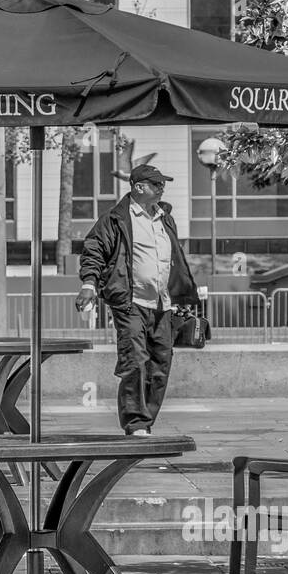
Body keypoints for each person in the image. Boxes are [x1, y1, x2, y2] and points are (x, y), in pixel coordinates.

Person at [75, 163, 199, 436]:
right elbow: (94, 251)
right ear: (138, 187)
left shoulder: (165, 217)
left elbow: (172, 260)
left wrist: (182, 293)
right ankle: (136, 423)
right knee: (135, 361)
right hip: (130, 302)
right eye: (156, 184)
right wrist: (88, 285)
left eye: (162, 184)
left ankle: (146, 420)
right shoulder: (116, 219)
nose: (161, 189)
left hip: (162, 305)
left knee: (160, 365)